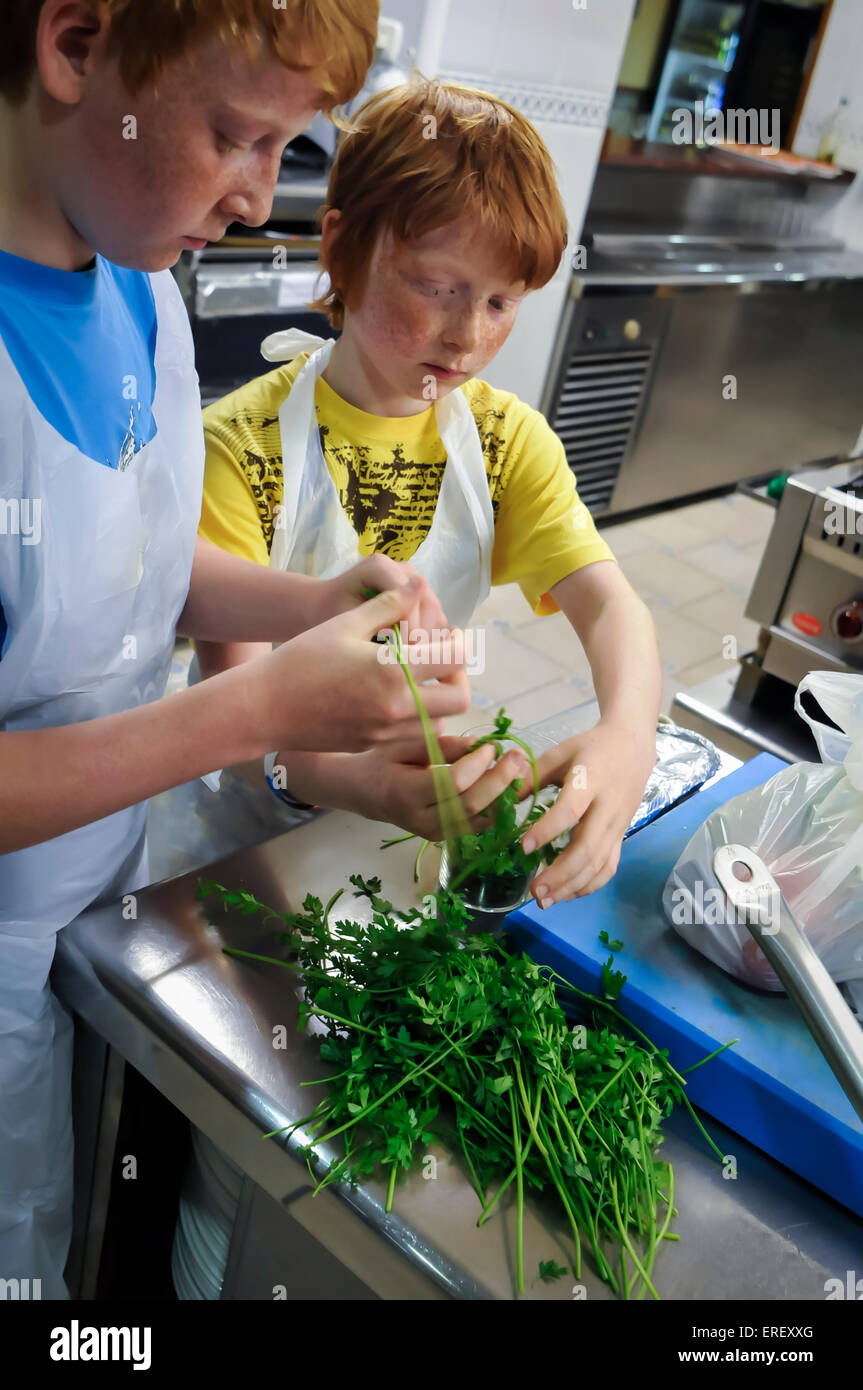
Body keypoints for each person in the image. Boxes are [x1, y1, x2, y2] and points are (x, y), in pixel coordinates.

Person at [0, 0, 475, 1298]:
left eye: (286, 148)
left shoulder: (139, 289)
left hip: (94, 907)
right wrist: (254, 708)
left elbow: (126, 567)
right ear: (78, 44)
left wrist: (306, 602)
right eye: (234, 136)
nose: (261, 198)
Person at [197, 79, 663, 910]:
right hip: (240, 830)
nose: (468, 334)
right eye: (437, 288)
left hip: (396, 816)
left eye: (500, 302)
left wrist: (628, 739)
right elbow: (232, 720)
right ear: (340, 249)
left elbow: (610, 606)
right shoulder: (240, 450)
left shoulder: (502, 442)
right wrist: (349, 779)